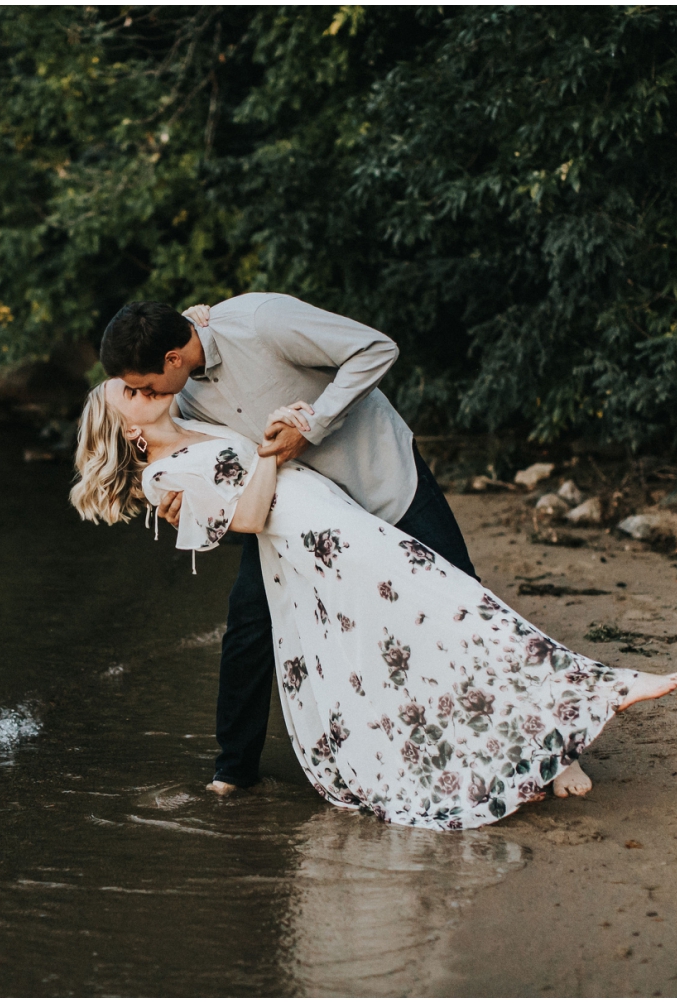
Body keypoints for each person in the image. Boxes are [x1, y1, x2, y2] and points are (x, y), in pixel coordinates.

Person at [69, 379, 677, 830]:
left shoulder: (197, 424)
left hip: (342, 521)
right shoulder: (160, 479)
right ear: (126, 426)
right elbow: (252, 515)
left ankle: (554, 736)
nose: (141, 384)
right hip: (321, 546)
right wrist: (263, 452)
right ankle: (596, 695)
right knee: (450, 616)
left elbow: (189, 363)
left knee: (449, 618)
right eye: (128, 389)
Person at [98, 295, 479, 795]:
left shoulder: (261, 321)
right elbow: (197, 456)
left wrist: (314, 424)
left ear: (171, 360)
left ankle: (556, 752)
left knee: (464, 600)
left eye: (142, 384)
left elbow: (374, 349)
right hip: (297, 519)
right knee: (249, 625)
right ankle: (234, 771)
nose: (141, 393)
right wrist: (174, 500)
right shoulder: (181, 393)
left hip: (378, 475)